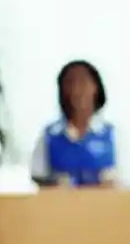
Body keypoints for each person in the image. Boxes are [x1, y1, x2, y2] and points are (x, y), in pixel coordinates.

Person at [30, 60, 119, 188]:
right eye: (70, 83)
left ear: (96, 88)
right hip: (61, 206)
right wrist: (55, 183)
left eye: (83, 82)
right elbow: (37, 176)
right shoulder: (49, 136)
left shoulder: (114, 134)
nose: (76, 90)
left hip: (105, 206)